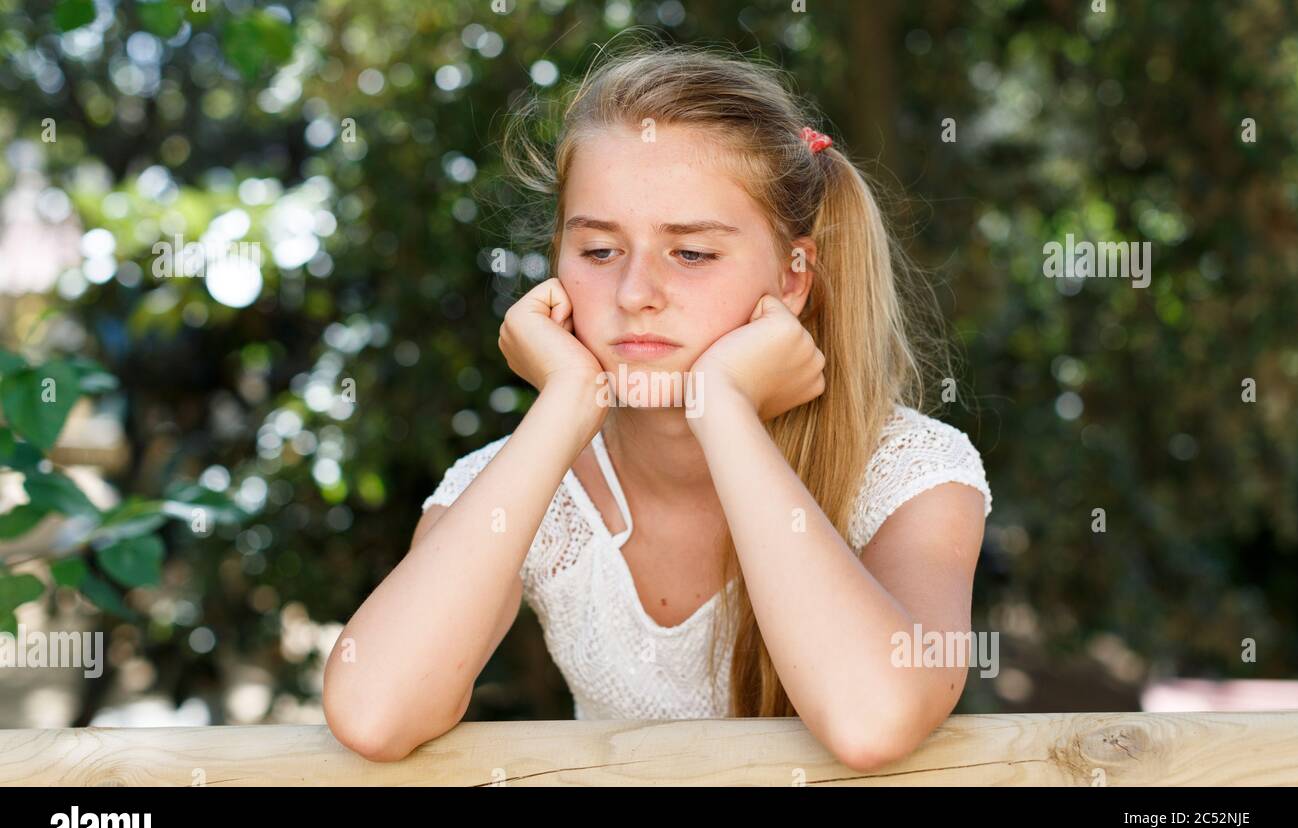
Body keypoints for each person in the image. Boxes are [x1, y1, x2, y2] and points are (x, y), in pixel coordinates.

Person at [323, 41, 992, 771]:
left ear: (794, 279)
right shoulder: (524, 480)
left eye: (692, 253)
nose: (635, 292)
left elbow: (874, 720)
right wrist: (565, 404)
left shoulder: (914, 475)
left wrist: (724, 409)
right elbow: (373, 712)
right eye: (600, 252)